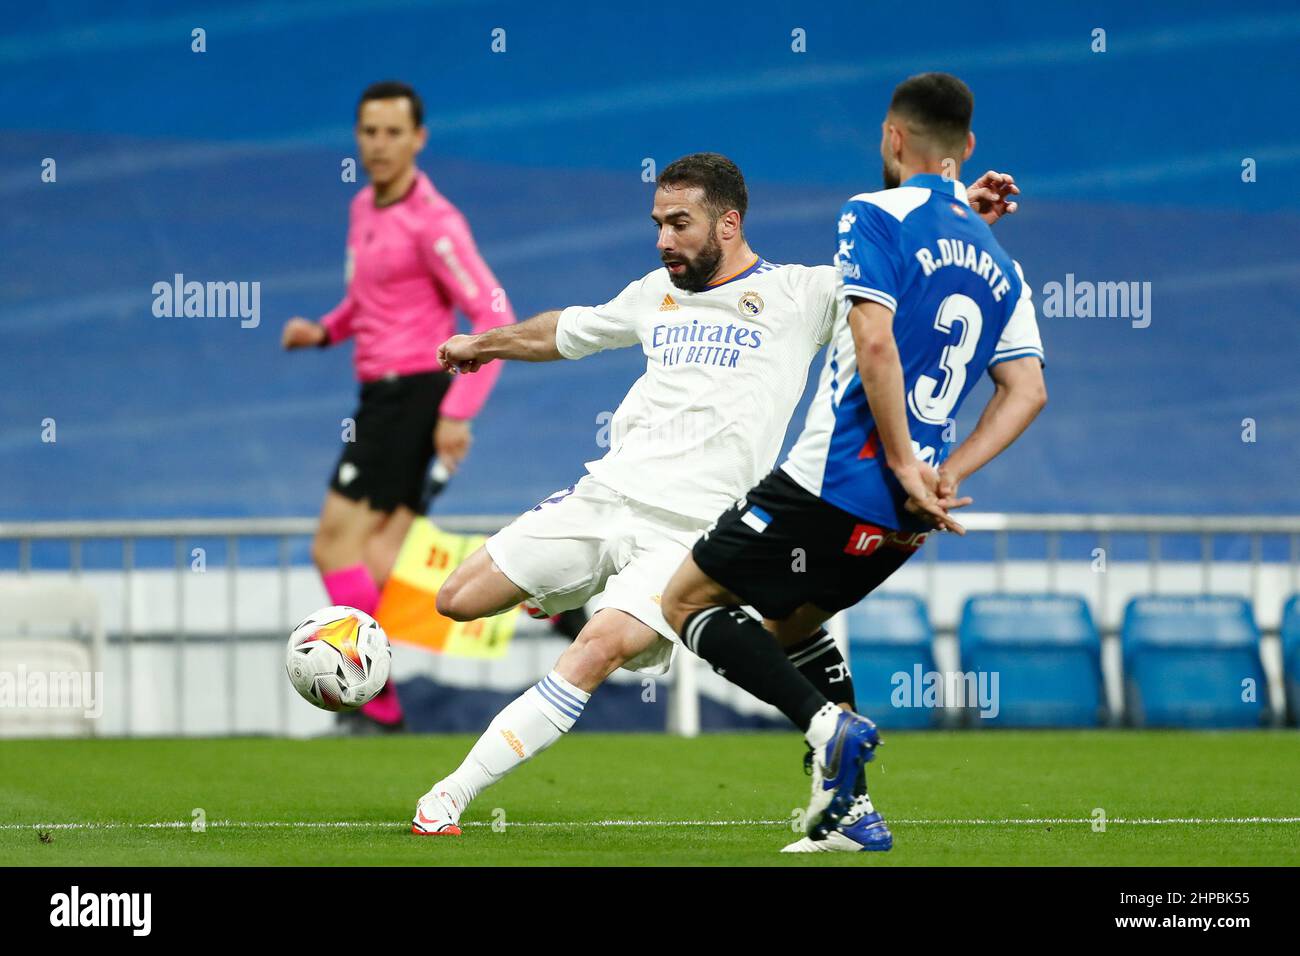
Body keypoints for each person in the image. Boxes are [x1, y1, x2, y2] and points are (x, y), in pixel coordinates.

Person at [410, 151, 1021, 836]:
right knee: (456, 599)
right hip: (604, 494)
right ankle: (573, 595)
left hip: (689, 536)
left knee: (597, 650)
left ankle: (447, 797)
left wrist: (958, 207)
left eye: (680, 224)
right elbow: (565, 330)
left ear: (728, 223)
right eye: (658, 224)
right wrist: (484, 343)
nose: (664, 239)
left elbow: (901, 272)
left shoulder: (803, 292)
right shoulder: (652, 294)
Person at [661, 72, 1047, 852]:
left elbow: (874, 340)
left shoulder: (870, 212)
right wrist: (947, 472)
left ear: (893, 138)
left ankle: (826, 722)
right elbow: (1028, 390)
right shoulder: (1002, 263)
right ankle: (850, 810)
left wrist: (902, 459)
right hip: (908, 518)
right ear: (966, 147)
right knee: (794, 621)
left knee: (684, 602)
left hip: (833, 480)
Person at [282, 81, 515, 730]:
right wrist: (325, 330)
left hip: (411, 395)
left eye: (392, 133)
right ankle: (537, 598)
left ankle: (374, 705)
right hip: (382, 395)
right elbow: (368, 301)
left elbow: (493, 313)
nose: (378, 145)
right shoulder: (364, 207)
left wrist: (458, 410)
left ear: (419, 139)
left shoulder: (434, 222)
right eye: (368, 132)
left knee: (333, 547)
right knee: (384, 560)